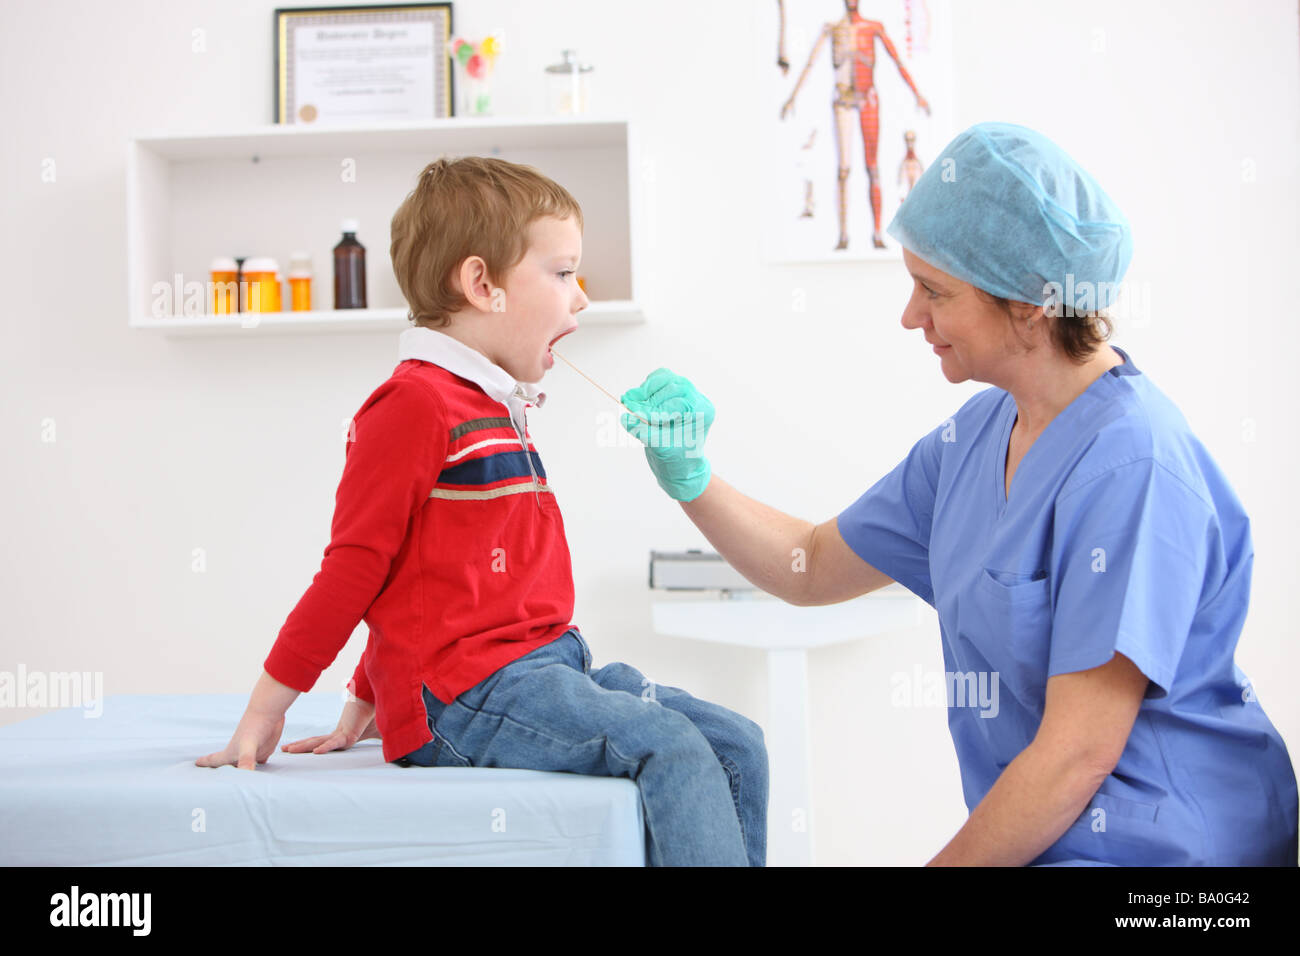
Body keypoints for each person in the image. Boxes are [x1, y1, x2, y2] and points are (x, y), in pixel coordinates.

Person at [619, 122, 1297, 866]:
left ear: (1031, 304)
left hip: (1178, 860)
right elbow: (808, 564)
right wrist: (691, 476)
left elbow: (1075, 757)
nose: (911, 316)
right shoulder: (976, 437)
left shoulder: (1134, 466)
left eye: (934, 291)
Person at [196, 156, 768, 868]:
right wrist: (267, 708)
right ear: (481, 285)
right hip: (468, 693)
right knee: (674, 748)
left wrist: (368, 693)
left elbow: (423, 573)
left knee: (738, 741)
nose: (580, 300)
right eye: (563, 274)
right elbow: (357, 568)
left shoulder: (492, 405)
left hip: (546, 668)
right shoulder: (413, 405)